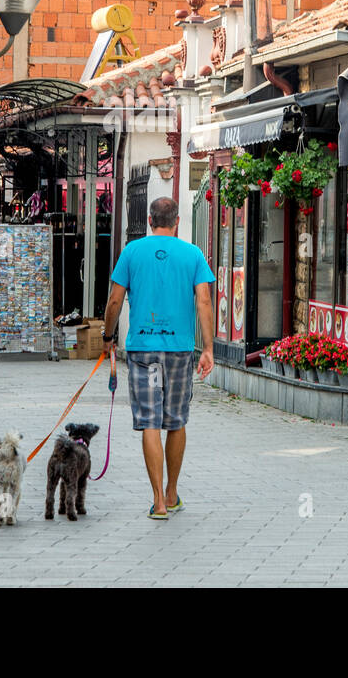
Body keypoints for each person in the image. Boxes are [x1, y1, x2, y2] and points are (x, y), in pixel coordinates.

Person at [102, 196, 214, 520]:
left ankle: (158, 502)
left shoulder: (132, 252)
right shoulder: (192, 254)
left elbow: (114, 301)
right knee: (176, 421)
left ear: (150, 221)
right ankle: (172, 491)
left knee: (150, 421)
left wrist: (108, 337)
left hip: (142, 350)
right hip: (180, 350)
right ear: (177, 221)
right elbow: (204, 302)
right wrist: (207, 348)